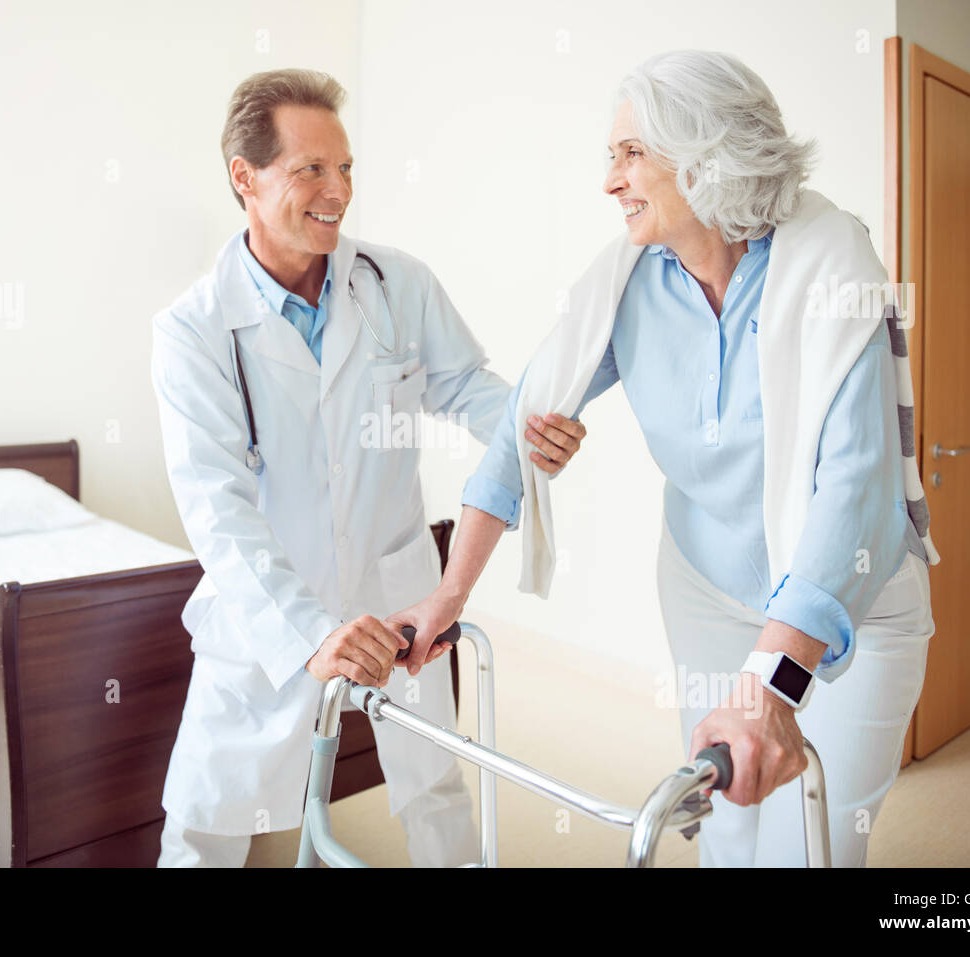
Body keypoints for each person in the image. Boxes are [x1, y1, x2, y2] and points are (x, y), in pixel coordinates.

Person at [389, 50, 938, 867]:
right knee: (722, 823)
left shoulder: (831, 262)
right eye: (612, 156)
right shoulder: (630, 283)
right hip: (707, 590)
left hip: (851, 599)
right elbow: (518, 432)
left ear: (709, 151)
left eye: (631, 153)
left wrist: (771, 686)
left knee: (807, 843)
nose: (610, 180)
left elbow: (856, 488)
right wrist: (447, 593)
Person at [149, 68, 588, 867]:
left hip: (395, 589)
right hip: (268, 609)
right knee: (210, 816)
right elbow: (217, 508)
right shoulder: (194, 329)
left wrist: (527, 430)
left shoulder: (396, 283)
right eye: (309, 169)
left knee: (433, 784)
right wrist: (310, 633)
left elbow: (465, 389)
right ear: (244, 178)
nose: (337, 190)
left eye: (345, 167)